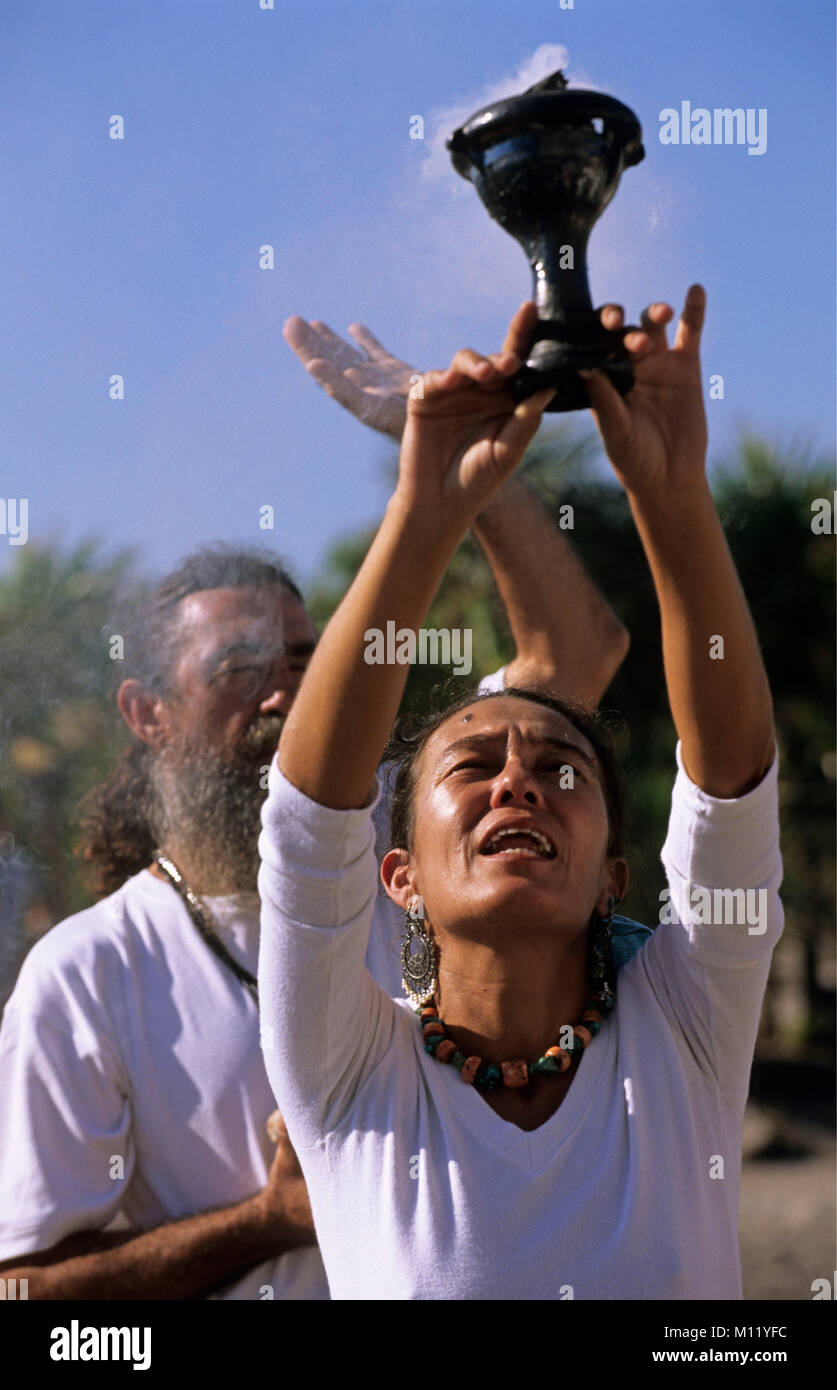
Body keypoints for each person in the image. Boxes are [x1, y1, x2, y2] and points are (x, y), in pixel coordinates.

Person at [0, 300, 631, 1298]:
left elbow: (576, 654)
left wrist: (457, 464)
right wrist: (269, 1221)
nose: (287, 692)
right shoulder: (85, 976)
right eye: (242, 666)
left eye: (306, 658)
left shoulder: (424, 850)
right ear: (148, 711)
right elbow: (24, 1290)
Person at [256, 286, 783, 1299]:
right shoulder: (351, 1070)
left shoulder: (686, 1025)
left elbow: (731, 786)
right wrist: (424, 508)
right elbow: (312, 818)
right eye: (472, 766)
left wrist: (672, 495)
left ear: (612, 877)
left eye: (560, 769)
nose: (517, 783)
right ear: (396, 877)